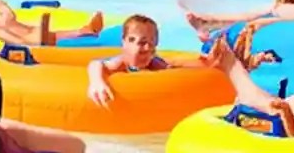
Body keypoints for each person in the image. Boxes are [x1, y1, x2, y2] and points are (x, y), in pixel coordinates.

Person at [87, 14, 220, 107]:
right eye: (142, 42)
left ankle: (212, 43)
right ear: (125, 42)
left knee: (174, 65)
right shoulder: (120, 63)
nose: (148, 48)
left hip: (161, 66)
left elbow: (175, 71)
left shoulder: (155, 63)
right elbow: (96, 64)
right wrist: (97, 82)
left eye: (152, 43)